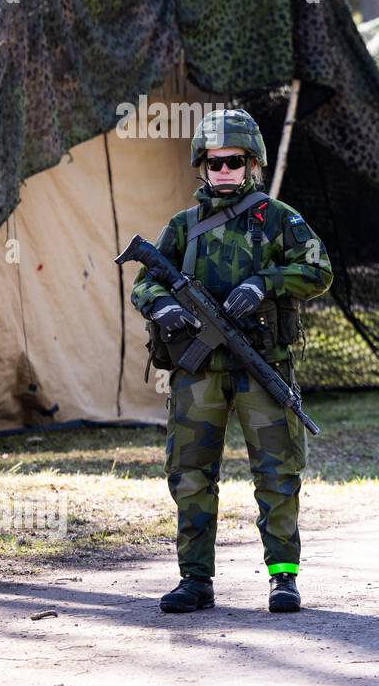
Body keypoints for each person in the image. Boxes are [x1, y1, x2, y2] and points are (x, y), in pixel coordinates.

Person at [130, 108, 333, 614]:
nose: (224, 171)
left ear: (253, 163)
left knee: (277, 472)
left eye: (234, 161)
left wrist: (264, 284)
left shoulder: (279, 219)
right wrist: (165, 305)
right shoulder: (182, 226)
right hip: (197, 370)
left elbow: (319, 269)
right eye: (214, 162)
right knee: (191, 473)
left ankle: (283, 577)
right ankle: (195, 579)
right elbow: (145, 281)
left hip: (261, 364)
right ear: (202, 165)